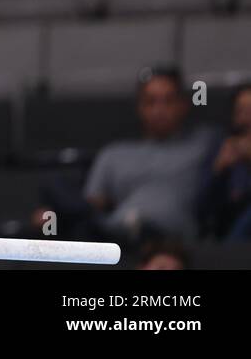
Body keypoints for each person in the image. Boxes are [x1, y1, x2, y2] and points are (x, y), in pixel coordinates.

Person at [31, 67, 221, 247]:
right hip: (118, 235)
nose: (159, 110)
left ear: (183, 105)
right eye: (151, 102)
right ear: (140, 107)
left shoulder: (204, 142)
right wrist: (55, 215)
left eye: (168, 100)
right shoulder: (115, 153)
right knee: (54, 187)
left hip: (171, 241)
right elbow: (90, 206)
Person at [198, 84, 251, 240]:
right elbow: (202, 211)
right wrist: (219, 171)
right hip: (229, 233)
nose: (248, 119)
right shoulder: (222, 147)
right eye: (243, 111)